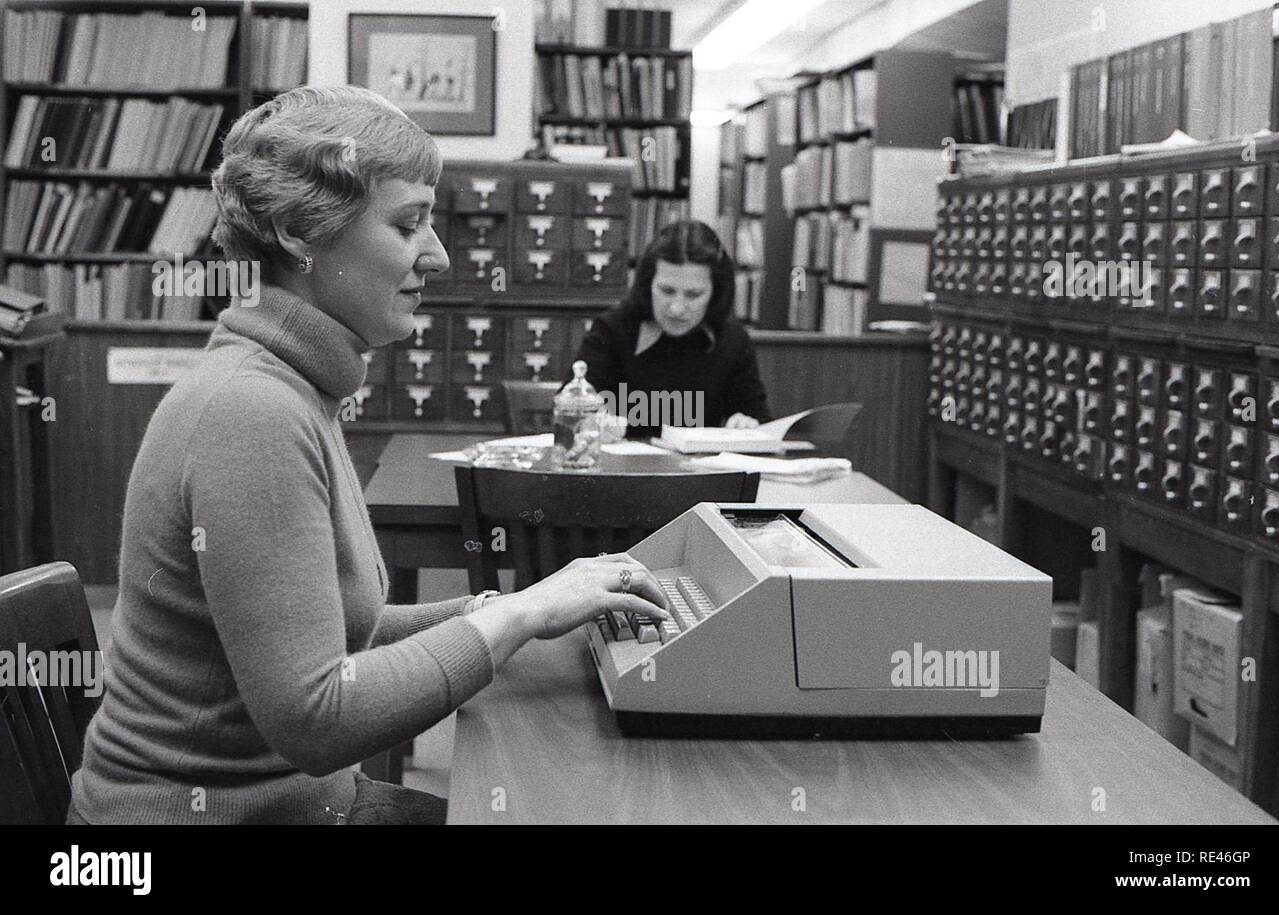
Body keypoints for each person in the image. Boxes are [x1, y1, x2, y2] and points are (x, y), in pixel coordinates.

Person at [66, 86, 668, 825]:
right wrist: (520, 617)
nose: (440, 256)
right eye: (409, 223)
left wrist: (511, 607)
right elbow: (318, 716)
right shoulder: (250, 412)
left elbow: (330, 633)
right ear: (300, 233)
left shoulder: (288, 387)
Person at [571, 220, 772, 438]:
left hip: (699, 469)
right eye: (666, 291)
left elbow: (758, 422)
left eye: (694, 295)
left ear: (715, 293)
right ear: (648, 284)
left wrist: (746, 426)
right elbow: (572, 414)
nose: (676, 309)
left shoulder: (731, 338)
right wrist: (591, 423)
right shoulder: (611, 330)